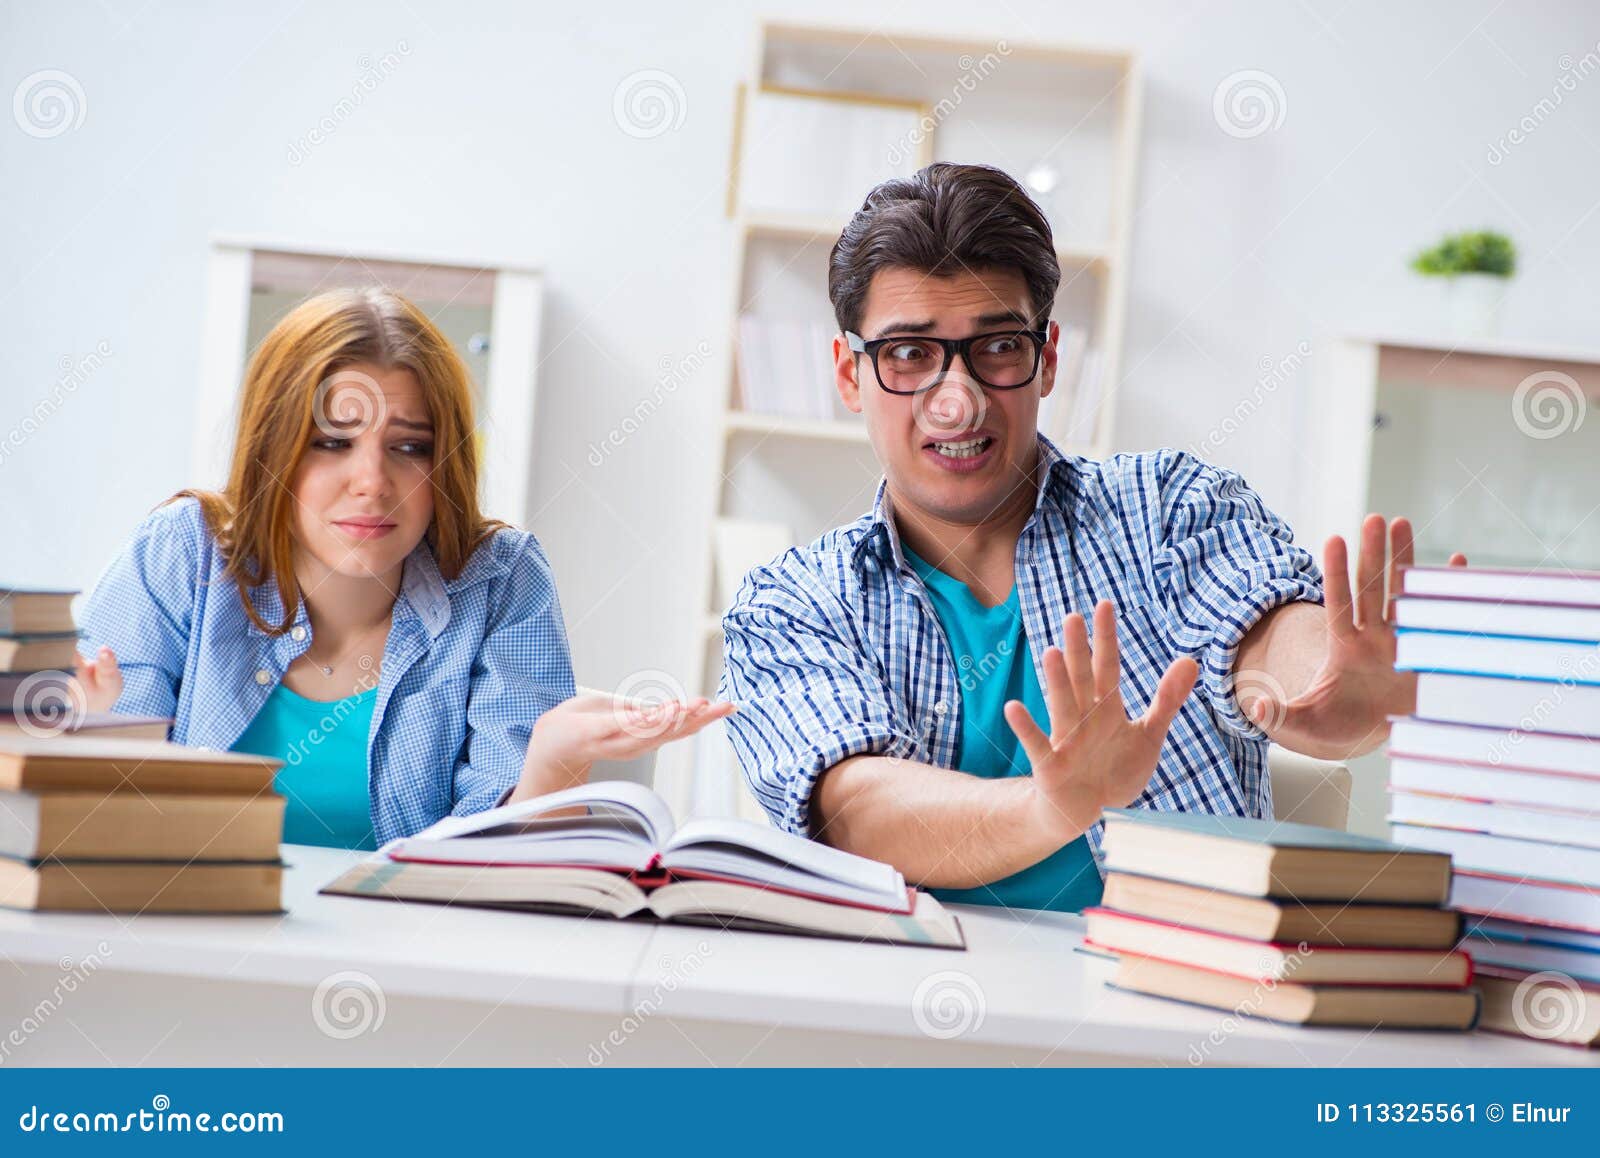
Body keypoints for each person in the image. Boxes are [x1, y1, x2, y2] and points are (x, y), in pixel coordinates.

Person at [718, 162, 1463, 913]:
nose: (958, 399)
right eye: (909, 354)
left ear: (1046, 359)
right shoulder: (790, 603)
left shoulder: (1167, 509)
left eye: (998, 346)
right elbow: (854, 813)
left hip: (1177, 1009)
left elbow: (1269, 638)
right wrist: (1050, 807)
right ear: (850, 374)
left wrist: (1333, 678)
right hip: (901, 1013)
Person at [74, 287, 729, 850]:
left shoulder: (501, 582)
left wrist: (554, 760)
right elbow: (100, 832)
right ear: (274, 448)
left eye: (409, 447)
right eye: (332, 442)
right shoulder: (184, 552)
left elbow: (503, 880)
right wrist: (88, 747)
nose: (372, 482)